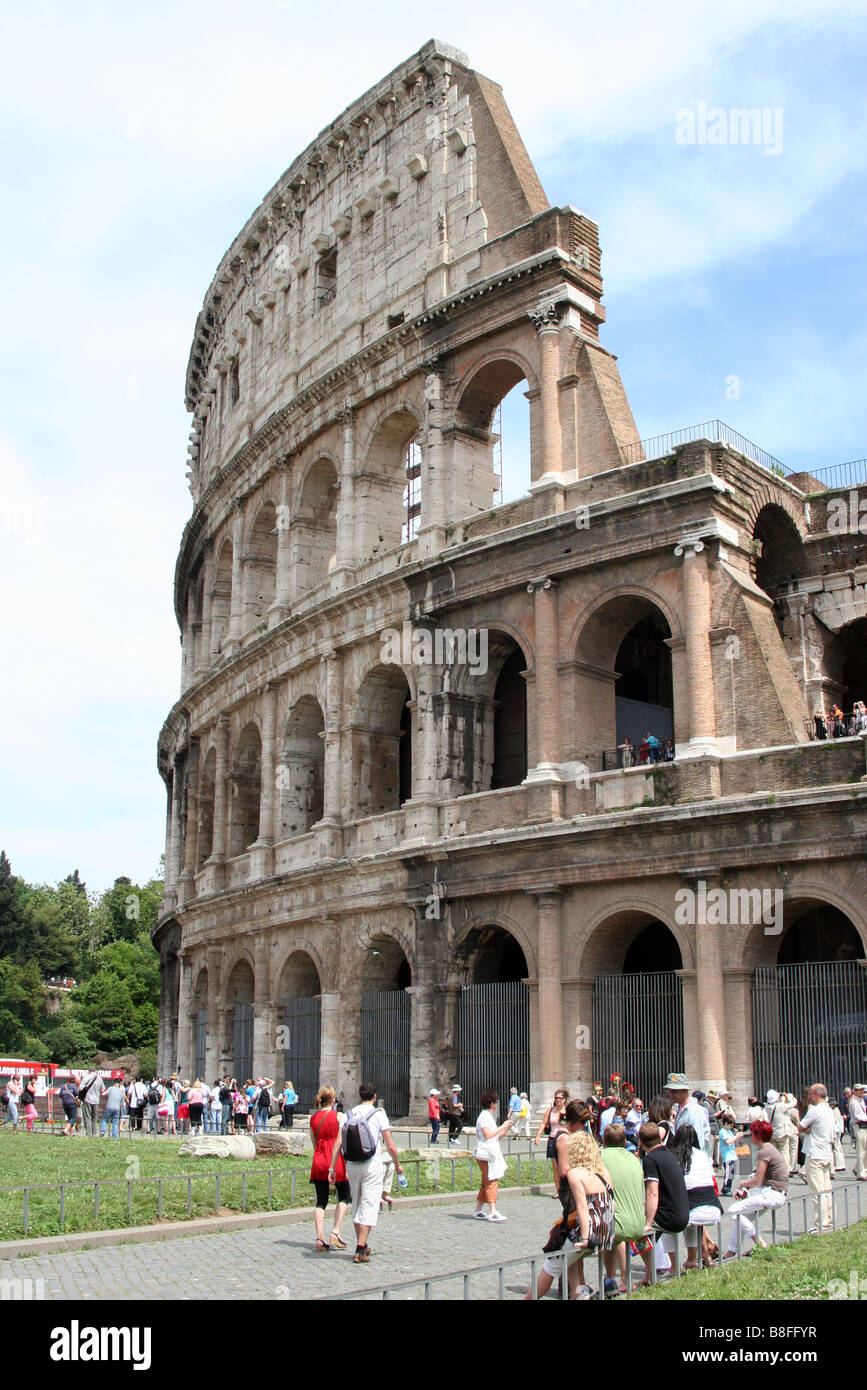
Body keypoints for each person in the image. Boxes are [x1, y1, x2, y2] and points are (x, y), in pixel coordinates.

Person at [329, 1082, 404, 1264]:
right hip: (372, 1164)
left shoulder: (348, 1115)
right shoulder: (379, 1115)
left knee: (357, 1204)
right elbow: (390, 1145)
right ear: (375, 1096)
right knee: (369, 1204)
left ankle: (362, 1243)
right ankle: (360, 1248)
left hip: (352, 1165)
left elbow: (338, 1143)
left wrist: (332, 1167)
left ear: (359, 1095)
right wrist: (397, 1164)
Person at [724, 1119, 788, 1257]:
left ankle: (760, 1243)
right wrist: (747, 1189)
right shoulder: (770, 1149)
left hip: (772, 1194)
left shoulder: (764, 1152)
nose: (750, 1135)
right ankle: (731, 1251)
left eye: (752, 1133)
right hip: (774, 1192)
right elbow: (761, 1179)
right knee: (742, 1216)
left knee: (733, 1211)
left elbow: (757, 1180)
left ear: (757, 1135)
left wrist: (743, 1185)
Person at [663, 1124, 722, 1270]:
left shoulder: (674, 1158)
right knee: (691, 1220)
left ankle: (674, 1265)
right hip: (714, 1207)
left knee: (667, 1226)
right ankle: (693, 1258)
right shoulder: (703, 1156)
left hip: (693, 1208)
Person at [638, 1121, 690, 1284]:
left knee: (636, 1235)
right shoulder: (670, 1154)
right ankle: (660, 1269)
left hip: (669, 1217)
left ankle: (649, 1276)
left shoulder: (650, 1159)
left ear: (641, 1141)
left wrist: (647, 1223)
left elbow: (652, 1192)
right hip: (683, 1212)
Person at [602, 1123, 651, 1293]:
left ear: (604, 1141)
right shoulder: (634, 1158)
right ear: (624, 1141)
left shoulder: (601, 1156)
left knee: (613, 1238)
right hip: (639, 1221)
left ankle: (612, 1279)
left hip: (619, 1224)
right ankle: (650, 1272)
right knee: (636, 1234)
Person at [309, 1085, 349, 1252]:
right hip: (336, 1160)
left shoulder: (313, 1118)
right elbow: (342, 1141)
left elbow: (314, 1142)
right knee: (345, 1197)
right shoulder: (340, 1116)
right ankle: (335, 1231)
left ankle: (319, 1238)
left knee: (321, 1201)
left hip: (318, 1159)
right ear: (333, 1100)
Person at [798, 1083, 835, 1233]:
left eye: (811, 1094)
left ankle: (820, 1224)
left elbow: (800, 1127)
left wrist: (809, 1129)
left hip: (814, 1154)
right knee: (826, 1189)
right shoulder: (829, 1110)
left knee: (817, 1191)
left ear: (817, 1094)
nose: (809, 1097)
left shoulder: (815, 1110)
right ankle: (828, 1221)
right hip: (826, 1152)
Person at [474, 1089, 514, 1222]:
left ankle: (478, 1209)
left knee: (486, 1181)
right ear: (492, 1104)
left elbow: (496, 1137)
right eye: (495, 1102)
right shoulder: (484, 1116)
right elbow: (488, 1135)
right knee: (492, 1180)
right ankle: (492, 1211)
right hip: (486, 1153)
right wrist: (502, 1125)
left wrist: (506, 1128)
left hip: (490, 1152)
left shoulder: (488, 1116)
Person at [665, 1073, 711, 1160]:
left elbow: (699, 1142)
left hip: (694, 1163)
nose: (670, 1094)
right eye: (668, 1091)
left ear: (684, 1090)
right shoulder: (678, 1108)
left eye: (674, 1091)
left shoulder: (694, 1111)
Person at [535, 1088, 569, 1185]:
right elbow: (543, 1123)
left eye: (560, 1098)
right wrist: (538, 1136)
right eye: (556, 1098)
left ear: (564, 1099)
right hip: (552, 1139)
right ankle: (558, 1190)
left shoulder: (567, 1110)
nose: (558, 1100)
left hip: (564, 1139)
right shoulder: (551, 1109)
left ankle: (566, 1187)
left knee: (564, 1165)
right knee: (556, 1167)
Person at [849, 1083, 867, 1179]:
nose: (861, 1092)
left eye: (862, 1090)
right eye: (858, 1090)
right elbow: (857, 1116)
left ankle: (859, 1169)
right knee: (861, 1150)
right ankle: (861, 1173)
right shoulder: (854, 1102)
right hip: (859, 1126)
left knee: (865, 1150)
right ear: (854, 1091)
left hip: (864, 1126)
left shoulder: (861, 1101)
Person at [79, 1069, 105, 1136]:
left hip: (87, 1099)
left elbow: (80, 1088)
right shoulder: (100, 1079)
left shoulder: (86, 1077)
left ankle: (89, 1132)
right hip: (96, 1100)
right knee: (94, 1117)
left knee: (87, 1116)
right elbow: (102, 1090)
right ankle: (94, 1132)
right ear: (95, 1071)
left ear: (88, 1071)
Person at [718, 1113, 737, 1195]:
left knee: (731, 1173)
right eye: (730, 1125)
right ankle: (726, 1188)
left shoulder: (729, 1131)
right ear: (726, 1124)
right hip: (727, 1155)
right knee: (728, 1173)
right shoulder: (723, 1131)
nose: (731, 1128)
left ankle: (728, 1187)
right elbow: (727, 1142)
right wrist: (736, 1138)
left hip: (732, 1155)